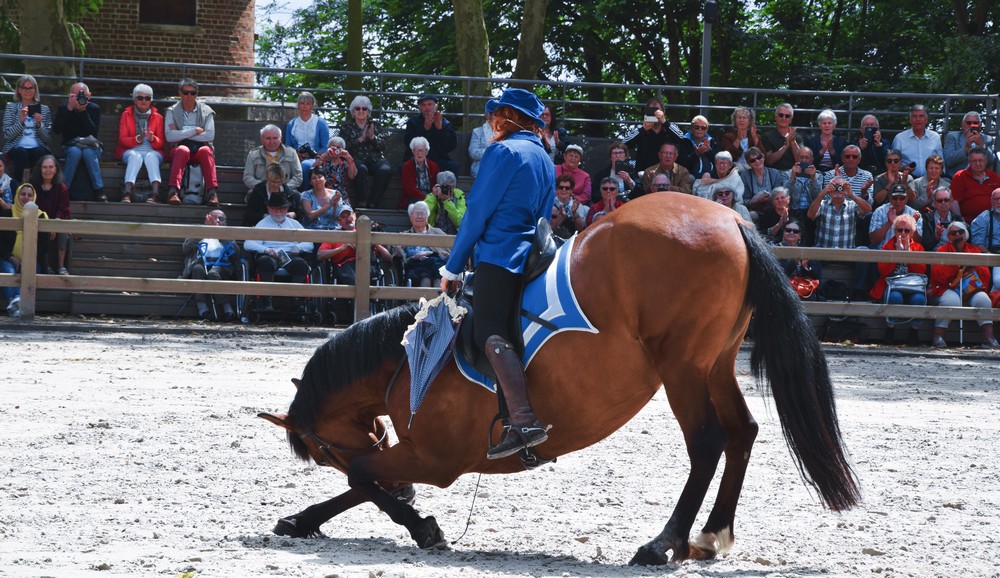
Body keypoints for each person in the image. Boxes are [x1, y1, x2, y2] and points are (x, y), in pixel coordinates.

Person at [439, 87, 555, 460]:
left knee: (489, 330)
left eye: (494, 115)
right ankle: (513, 425)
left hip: (499, 254)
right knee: (512, 333)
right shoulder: (544, 158)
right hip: (533, 254)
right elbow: (544, 212)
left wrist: (452, 266)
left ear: (507, 116)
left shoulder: (502, 151)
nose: (490, 122)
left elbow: (476, 212)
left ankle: (523, 420)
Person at [929, 221, 998, 349]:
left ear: (965, 234)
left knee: (983, 299)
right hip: (949, 287)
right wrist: (957, 269)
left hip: (971, 286)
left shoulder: (974, 250)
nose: (957, 235)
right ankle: (938, 336)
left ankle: (988, 337)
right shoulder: (942, 250)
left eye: (960, 232)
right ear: (948, 236)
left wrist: (971, 271)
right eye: (953, 233)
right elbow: (938, 275)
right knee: (950, 301)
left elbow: (985, 274)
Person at [244, 193, 313, 312]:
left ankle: (296, 300)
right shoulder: (262, 224)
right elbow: (248, 244)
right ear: (269, 209)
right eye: (275, 209)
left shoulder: (294, 224)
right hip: (270, 254)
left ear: (287, 209)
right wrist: (265, 250)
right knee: (265, 262)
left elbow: (310, 244)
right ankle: (267, 301)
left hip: (290, 254)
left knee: (301, 264)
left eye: (282, 209)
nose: (279, 212)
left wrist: (298, 247)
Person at [869, 214, 927, 344]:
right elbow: (883, 271)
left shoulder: (918, 248)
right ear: (894, 231)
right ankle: (890, 330)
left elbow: (921, 271)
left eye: (907, 230)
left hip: (913, 286)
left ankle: (914, 332)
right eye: (899, 230)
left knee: (919, 299)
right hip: (892, 285)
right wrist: (896, 254)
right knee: (895, 297)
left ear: (912, 232)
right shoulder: (887, 247)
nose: (903, 233)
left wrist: (908, 255)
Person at [165, 78, 219, 206]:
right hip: (179, 149)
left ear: (197, 94)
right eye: (185, 92)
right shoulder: (171, 111)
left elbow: (210, 135)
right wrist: (194, 131)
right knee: (182, 150)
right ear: (179, 93)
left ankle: (212, 193)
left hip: (200, 149)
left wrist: (180, 132)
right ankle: (173, 192)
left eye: (193, 93)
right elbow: (169, 137)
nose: (189, 96)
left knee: (206, 151)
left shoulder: (207, 111)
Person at [180, 209, 241, 321]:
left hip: (221, 265)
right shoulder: (198, 231)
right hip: (201, 262)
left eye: (221, 219)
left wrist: (221, 234)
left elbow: (235, 254)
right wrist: (205, 230)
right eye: (214, 218)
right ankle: (202, 309)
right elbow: (186, 249)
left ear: (225, 223)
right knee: (197, 269)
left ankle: (228, 309)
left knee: (213, 274)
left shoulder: (228, 235)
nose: (217, 221)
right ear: (207, 219)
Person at [53, 81, 105, 201]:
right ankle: (64, 190)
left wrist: (83, 112)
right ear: (70, 96)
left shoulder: (94, 109)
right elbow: (56, 130)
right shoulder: (63, 108)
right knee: (75, 152)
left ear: (89, 96)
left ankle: (99, 190)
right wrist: (69, 110)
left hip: (91, 146)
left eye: (83, 96)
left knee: (88, 153)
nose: (79, 99)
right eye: (76, 96)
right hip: (70, 146)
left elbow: (93, 132)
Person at [317, 203, 392, 285]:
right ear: (339, 221)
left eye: (349, 215)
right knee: (350, 272)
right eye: (343, 217)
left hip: (366, 265)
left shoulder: (365, 233)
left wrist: (375, 243)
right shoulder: (334, 235)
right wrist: (342, 248)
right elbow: (320, 255)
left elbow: (388, 258)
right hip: (345, 267)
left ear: (355, 216)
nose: (348, 219)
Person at [116, 83, 165, 203]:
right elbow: (122, 139)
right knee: (135, 156)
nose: (144, 101)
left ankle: (155, 193)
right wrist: (138, 138)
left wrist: (152, 139)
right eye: (140, 98)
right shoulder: (126, 115)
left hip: (153, 150)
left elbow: (162, 143)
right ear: (134, 99)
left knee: (151, 156)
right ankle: (127, 192)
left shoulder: (158, 117)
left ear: (151, 100)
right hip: (131, 150)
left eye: (147, 98)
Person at [340, 95, 391, 207]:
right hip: (355, 158)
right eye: (357, 108)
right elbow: (342, 146)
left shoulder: (375, 125)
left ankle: (374, 202)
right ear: (353, 111)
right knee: (361, 169)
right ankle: (361, 202)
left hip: (375, 158)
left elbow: (383, 145)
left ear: (368, 111)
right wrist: (359, 140)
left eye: (364, 108)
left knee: (385, 169)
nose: (361, 111)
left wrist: (373, 137)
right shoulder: (346, 126)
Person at [2, 75, 52, 181]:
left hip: (38, 146)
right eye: (24, 88)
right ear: (19, 90)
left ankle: (39, 189)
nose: (27, 91)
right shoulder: (11, 107)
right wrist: (21, 121)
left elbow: (47, 139)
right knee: (22, 153)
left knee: (40, 153)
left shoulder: (44, 109)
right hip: (15, 147)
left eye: (30, 88)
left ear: (35, 90)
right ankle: (19, 188)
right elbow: (7, 136)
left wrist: (39, 124)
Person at [29, 155, 71, 274]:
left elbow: (64, 209)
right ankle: (46, 265)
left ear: (56, 169)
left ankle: (61, 266)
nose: (48, 170)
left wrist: (54, 225)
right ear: (40, 169)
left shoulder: (62, 188)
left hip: (57, 221)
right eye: (45, 167)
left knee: (63, 231)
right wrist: (46, 224)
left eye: (51, 167)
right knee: (41, 233)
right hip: (38, 221)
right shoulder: (34, 187)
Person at [624, 96, 684, 171]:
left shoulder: (669, 127)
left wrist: (664, 122)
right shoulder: (640, 128)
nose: (655, 114)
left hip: (666, 173)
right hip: (644, 173)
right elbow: (624, 144)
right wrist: (643, 129)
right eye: (651, 111)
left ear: (663, 112)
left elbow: (681, 138)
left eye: (658, 112)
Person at [398, 201, 449, 287]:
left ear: (427, 216)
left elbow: (449, 251)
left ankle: (439, 300)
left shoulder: (437, 232)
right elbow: (394, 253)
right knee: (425, 278)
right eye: (416, 213)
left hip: (436, 264)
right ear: (410, 217)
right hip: (416, 266)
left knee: (439, 276)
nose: (419, 216)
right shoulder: (405, 235)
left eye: (422, 213)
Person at [403, 94, 458, 174]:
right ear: (420, 108)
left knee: (453, 167)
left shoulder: (445, 123)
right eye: (424, 105)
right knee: (404, 167)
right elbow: (408, 143)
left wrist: (440, 130)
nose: (427, 107)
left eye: (429, 104)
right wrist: (425, 129)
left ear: (436, 107)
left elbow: (450, 146)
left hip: (439, 159)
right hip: (416, 159)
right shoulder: (413, 122)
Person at [283, 91, 329, 185]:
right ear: (298, 105)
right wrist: (297, 154)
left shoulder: (320, 123)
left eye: (308, 104)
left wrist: (314, 155)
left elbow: (325, 146)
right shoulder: (292, 124)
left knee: (305, 165)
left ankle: (304, 195)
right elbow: (288, 146)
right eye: (302, 103)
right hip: (295, 156)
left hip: (316, 157)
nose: (305, 106)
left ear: (312, 106)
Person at [243, 124, 303, 192]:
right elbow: (247, 177)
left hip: (285, 190)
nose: (272, 142)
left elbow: (298, 176)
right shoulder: (253, 154)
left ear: (280, 138)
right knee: (251, 195)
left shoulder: (291, 153)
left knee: (297, 196)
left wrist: (283, 188)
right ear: (262, 139)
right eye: (268, 138)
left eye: (275, 138)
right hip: (261, 191)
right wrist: (265, 187)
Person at [9, 183, 50, 277]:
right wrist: (11, 258)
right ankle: (17, 293)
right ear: (17, 195)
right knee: (8, 272)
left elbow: (44, 245)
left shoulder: (41, 216)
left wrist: (28, 260)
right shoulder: (8, 212)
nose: (26, 197)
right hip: (10, 260)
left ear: (34, 198)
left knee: (30, 274)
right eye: (23, 194)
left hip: (34, 260)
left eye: (30, 195)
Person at [950, 146, 1000, 223]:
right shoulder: (960, 176)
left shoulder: (994, 177)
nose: (978, 164)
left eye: (980, 160)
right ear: (969, 162)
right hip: (969, 222)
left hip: (993, 222)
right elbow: (954, 202)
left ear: (986, 161)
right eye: (974, 161)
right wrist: (960, 221)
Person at [891, 104, 943, 179]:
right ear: (910, 120)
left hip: (931, 178)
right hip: (908, 179)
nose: (918, 119)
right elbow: (893, 165)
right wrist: (902, 170)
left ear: (926, 119)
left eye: (921, 116)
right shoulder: (900, 138)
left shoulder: (935, 137)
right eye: (914, 116)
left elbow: (941, 162)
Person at [244, 163, 301, 228]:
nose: (276, 185)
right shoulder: (258, 191)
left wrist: (293, 214)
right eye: (273, 181)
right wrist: (266, 217)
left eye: (279, 182)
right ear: (267, 178)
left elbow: (298, 213)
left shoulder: (289, 193)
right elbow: (249, 214)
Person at [868, 184, 922, 249]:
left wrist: (912, 226)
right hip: (882, 252)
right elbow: (873, 241)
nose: (898, 201)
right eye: (895, 198)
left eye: (901, 198)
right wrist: (889, 223)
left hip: (907, 253)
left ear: (906, 199)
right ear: (890, 198)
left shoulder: (914, 214)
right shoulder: (879, 211)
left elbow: (918, 242)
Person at [786, 146, 821, 244]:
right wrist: (792, 177)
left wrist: (813, 179)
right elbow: (785, 194)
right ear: (796, 158)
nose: (804, 160)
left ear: (812, 159)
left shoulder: (818, 175)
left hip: (810, 212)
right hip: (793, 210)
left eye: (807, 158)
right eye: (801, 157)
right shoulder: (787, 174)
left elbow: (818, 196)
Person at [943, 111, 995, 177]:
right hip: (957, 178)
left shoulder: (987, 139)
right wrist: (966, 148)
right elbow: (948, 161)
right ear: (962, 125)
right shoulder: (953, 137)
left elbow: (991, 161)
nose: (971, 125)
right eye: (968, 123)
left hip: (980, 179)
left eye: (975, 123)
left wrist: (982, 145)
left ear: (980, 125)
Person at [311, 135, 358, 204]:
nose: (335, 149)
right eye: (333, 147)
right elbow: (312, 169)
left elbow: (352, 175)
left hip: (341, 195)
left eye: (338, 147)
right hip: (324, 193)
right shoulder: (323, 160)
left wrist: (348, 157)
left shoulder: (344, 163)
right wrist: (325, 155)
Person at [970, 188, 1000, 289]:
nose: (999, 202)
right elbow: (977, 244)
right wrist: (991, 256)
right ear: (991, 201)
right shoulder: (983, 218)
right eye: (996, 199)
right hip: (993, 256)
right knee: (998, 281)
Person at [720, 106, 763, 171]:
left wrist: (755, 138)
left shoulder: (756, 136)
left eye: (744, 117)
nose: (741, 120)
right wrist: (738, 138)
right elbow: (727, 156)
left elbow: (763, 156)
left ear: (749, 121)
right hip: (734, 169)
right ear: (734, 120)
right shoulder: (728, 136)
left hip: (753, 169)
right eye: (739, 117)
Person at [400, 136, 439, 208]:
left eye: (422, 150)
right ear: (413, 152)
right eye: (417, 151)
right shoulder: (407, 166)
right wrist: (427, 198)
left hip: (431, 197)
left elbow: (437, 185)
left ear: (427, 152)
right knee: (420, 205)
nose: (419, 153)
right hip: (414, 198)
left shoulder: (434, 166)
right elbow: (410, 189)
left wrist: (432, 197)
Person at [762, 103, 801, 171]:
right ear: (775, 116)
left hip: (793, 173)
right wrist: (785, 146)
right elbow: (769, 161)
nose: (783, 118)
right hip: (774, 174)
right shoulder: (767, 136)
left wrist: (793, 141)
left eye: (787, 116)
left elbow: (801, 161)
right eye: (781, 115)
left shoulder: (798, 136)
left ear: (791, 118)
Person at [425, 170, 465, 235]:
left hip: (454, 234)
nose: (450, 190)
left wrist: (447, 202)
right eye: (447, 187)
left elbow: (461, 222)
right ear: (439, 186)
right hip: (434, 234)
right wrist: (433, 197)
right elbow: (424, 216)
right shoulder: (432, 196)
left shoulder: (459, 197)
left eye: (452, 187)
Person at [921, 188, 961, 252]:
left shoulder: (958, 220)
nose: (943, 203)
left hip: (953, 254)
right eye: (940, 201)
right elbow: (925, 246)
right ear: (934, 203)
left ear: (951, 202)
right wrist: (936, 236)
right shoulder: (926, 219)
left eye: (946, 200)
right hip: (933, 256)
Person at [551, 175, 587, 240]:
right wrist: (562, 217)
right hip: (554, 238)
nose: (564, 190)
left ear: (571, 190)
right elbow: (550, 228)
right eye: (561, 187)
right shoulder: (550, 204)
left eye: (567, 188)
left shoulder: (577, 205)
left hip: (573, 240)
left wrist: (574, 213)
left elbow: (581, 228)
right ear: (557, 189)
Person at [468, 111, 494, 178]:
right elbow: (473, 153)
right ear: (488, 115)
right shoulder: (477, 132)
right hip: (480, 168)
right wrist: (491, 151)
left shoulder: (505, 133)